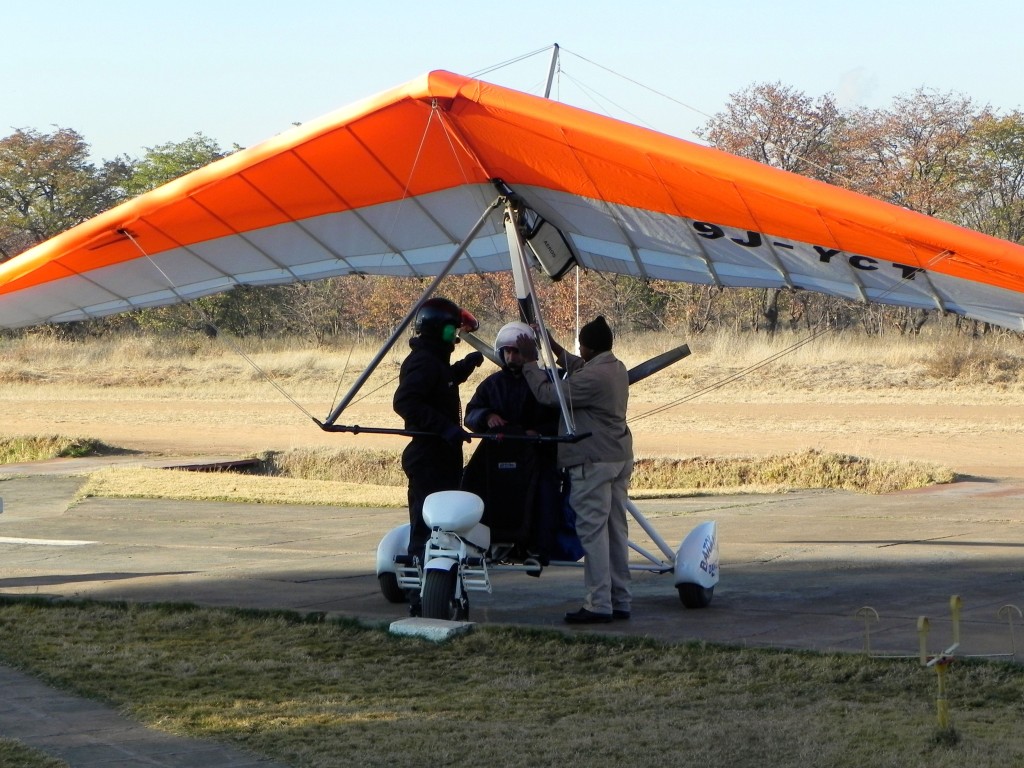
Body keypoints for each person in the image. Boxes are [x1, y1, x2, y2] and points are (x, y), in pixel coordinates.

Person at [517, 315, 633, 624]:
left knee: (592, 533)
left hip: (593, 462)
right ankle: (620, 599)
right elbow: (579, 368)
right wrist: (552, 346)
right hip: (617, 458)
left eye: (580, 345)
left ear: (589, 348)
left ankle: (598, 604)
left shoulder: (592, 379)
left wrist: (530, 362)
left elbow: (548, 395)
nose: (577, 350)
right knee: (615, 531)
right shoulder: (616, 368)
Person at [392, 297, 483, 604]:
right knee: (427, 524)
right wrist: (444, 428)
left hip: (443, 454)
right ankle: (421, 588)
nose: (454, 337)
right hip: (428, 455)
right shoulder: (423, 361)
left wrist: (465, 367)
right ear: (437, 331)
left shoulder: (435, 361)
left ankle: (438, 583)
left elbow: (440, 382)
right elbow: (406, 401)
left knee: (442, 524)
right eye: (450, 331)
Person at [462, 322, 561, 561]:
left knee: (545, 495)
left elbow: (561, 420)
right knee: (471, 486)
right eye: (507, 351)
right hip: (499, 462)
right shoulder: (492, 385)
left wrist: (537, 433)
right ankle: (483, 543)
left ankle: (538, 547)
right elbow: (470, 414)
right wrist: (486, 416)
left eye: (516, 351)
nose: (511, 356)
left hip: (536, 458)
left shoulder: (546, 382)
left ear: (528, 354)